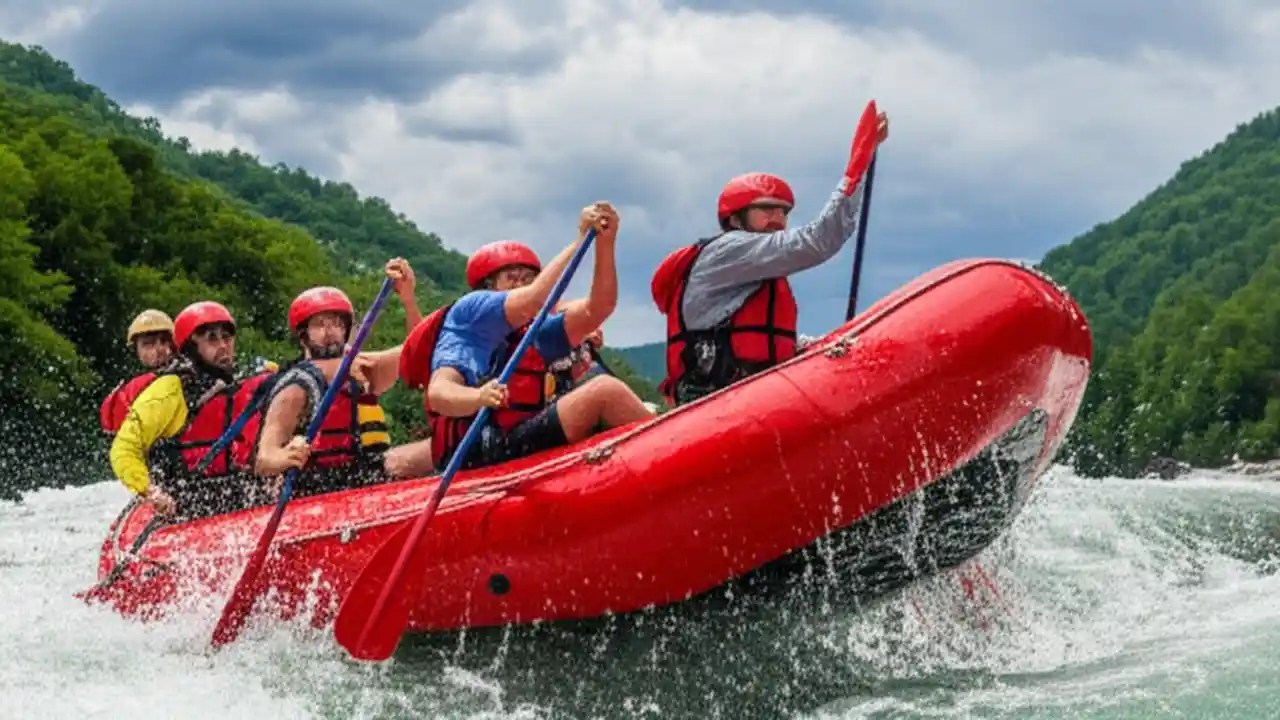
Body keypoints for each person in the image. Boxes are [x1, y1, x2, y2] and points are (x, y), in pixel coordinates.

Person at [651, 102, 890, 406]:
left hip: (750, 397)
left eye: (783, 212)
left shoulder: (751, 268)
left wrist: (824, 346)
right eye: (766, 210)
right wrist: (856, 171)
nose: (778, 219)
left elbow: (770, 342)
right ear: (736, 219)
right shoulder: (729, 250)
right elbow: (819, 241)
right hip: (714, 402)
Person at [397, 202, 653, 472]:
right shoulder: (468, 320)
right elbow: (439, 393)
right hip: (477, 450)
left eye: (529, 278)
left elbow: (598, 308)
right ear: (488, 288)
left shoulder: (533, 329)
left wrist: (604, 243)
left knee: (604, 387)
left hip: (518, 437)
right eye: (512, 278)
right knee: (605, 392)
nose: (521, 285)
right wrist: (479, 397)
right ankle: (663, 457)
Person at [252, 260, 432, 493]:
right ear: (303, 335)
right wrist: (288, 456)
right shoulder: (296, 385)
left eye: (337, 323)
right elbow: (265, 459)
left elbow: (419, 350)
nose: (330, 332)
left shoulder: (363, 369)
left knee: (440, 446)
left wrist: (407, 298)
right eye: (319, 324)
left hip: (367, 473)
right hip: (316, 486)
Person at [109, 301, 274, 520]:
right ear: (191, 348)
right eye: (212, 339)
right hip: (185, 504)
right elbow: (123, 450)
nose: (223, 345)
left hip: (241, 495)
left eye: (227, 337)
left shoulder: (242, 384)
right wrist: (152, 492)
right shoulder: (168, 390)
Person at [99, 309, 177, 434]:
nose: (158, 349)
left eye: (163, 341)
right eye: (148, 344)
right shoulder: (127, 391)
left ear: (172, 345)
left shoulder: (189, 376)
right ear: (136, 350)